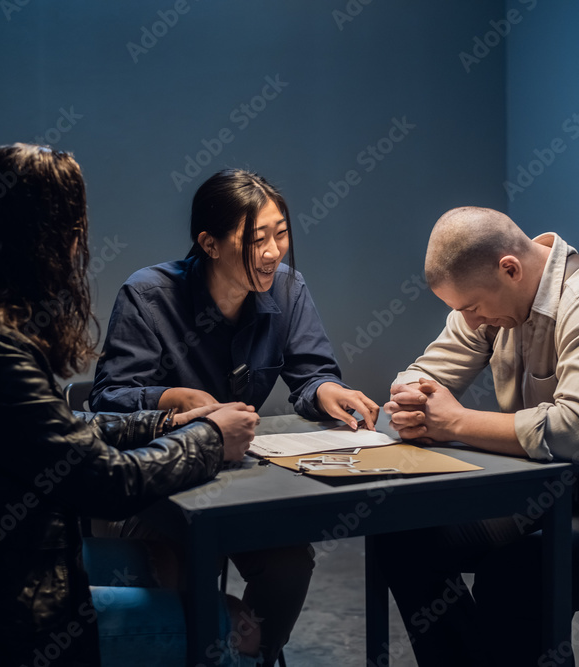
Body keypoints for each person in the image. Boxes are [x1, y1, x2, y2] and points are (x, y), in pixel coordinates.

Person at [0, 144, 262, 666]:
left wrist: (168, 422)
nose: (75, 249)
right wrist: (210, 439)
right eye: (71, 233)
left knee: (165, 566)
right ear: (39, 243)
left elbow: (60, 430)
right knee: (222, 623)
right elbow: (105, 483)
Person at [375, 207, 579, 666]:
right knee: (401, 537)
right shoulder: (493, 303)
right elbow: (426, 371)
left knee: (518, 575)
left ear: (509, 269)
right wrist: (411, 397)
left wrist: (453, 422)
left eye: (470, 307)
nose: (469, 321)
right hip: (550, 499)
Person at [90, 168, 380, 663]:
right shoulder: (149, 295)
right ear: (209, 242)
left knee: (290, 563)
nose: (272, 252)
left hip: (240, 484)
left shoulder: (288, 289)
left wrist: (328, 389)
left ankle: (250, 657)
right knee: (181, 572)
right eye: (255, 239)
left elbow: (310, 375)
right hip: (161, 484)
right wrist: (175, 399)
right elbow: (110, 399)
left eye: (281, 234)